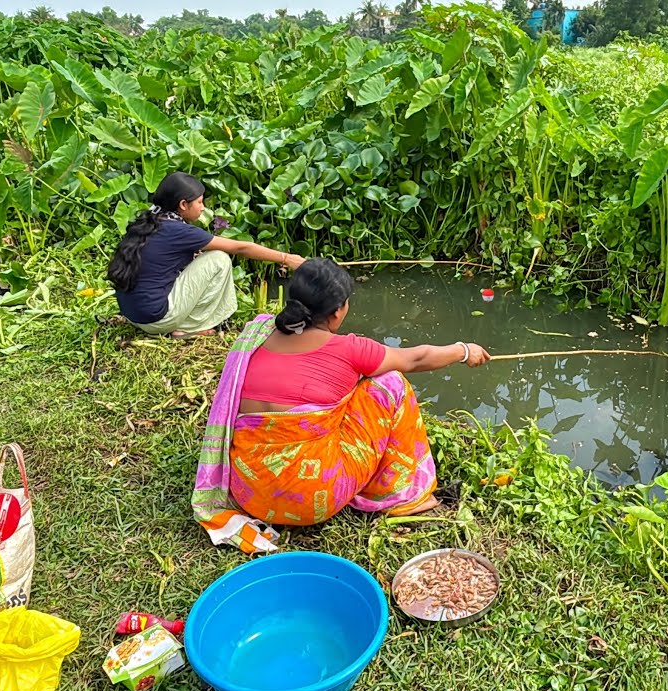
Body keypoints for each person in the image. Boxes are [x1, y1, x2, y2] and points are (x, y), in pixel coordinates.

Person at [192, 258, 491, 553]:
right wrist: (463, 351)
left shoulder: (255, 337)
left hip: (249, 493)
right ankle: (405, 496)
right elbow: (416, 358)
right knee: (389, 383)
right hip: (315, 500)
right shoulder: (350, 349)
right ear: (338, 311)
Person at [107, 172, 305, 339]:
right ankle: (190, 327)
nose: (203, 208)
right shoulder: (180, 231)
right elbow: (240, 248)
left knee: (203, 256)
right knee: (218, 259)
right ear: (183, 205)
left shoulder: (150, 219)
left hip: (134, 315)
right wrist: (287, 258)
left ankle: (178, 323)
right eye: (200, 202)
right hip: (155, 321)